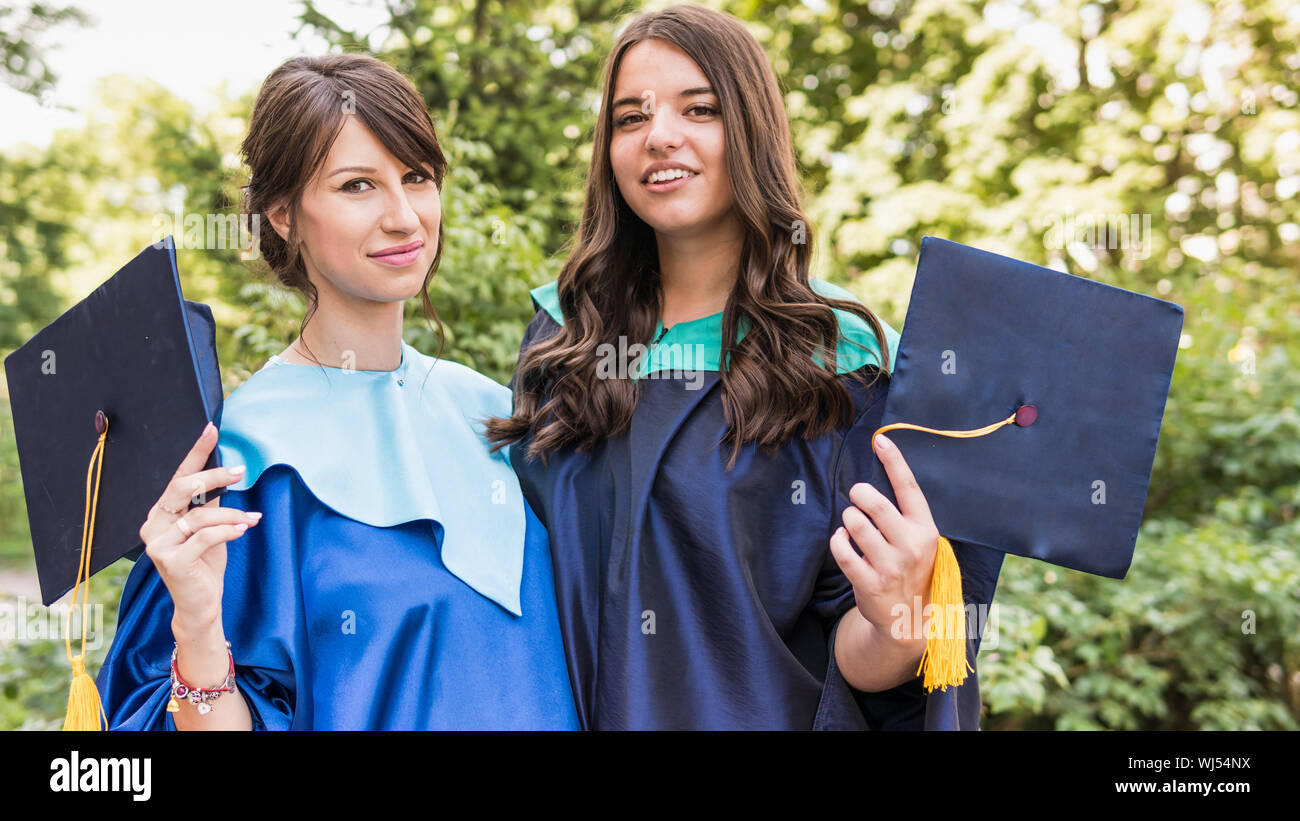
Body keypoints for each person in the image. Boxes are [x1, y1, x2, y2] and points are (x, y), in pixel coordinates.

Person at [488, 5, 1005, 730]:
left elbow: (858, 659)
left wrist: (896, 623)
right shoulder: (565, 339)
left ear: (753, 129)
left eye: (700, 109)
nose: (659, 135)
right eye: (630, 118)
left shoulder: (843, 366)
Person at [95, 54, 579, 730]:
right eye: (358, 186)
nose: (405, 216)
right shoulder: (236, 462)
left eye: (416, 177)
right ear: (285, 215)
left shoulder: (497, 412)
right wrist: (200, 626)